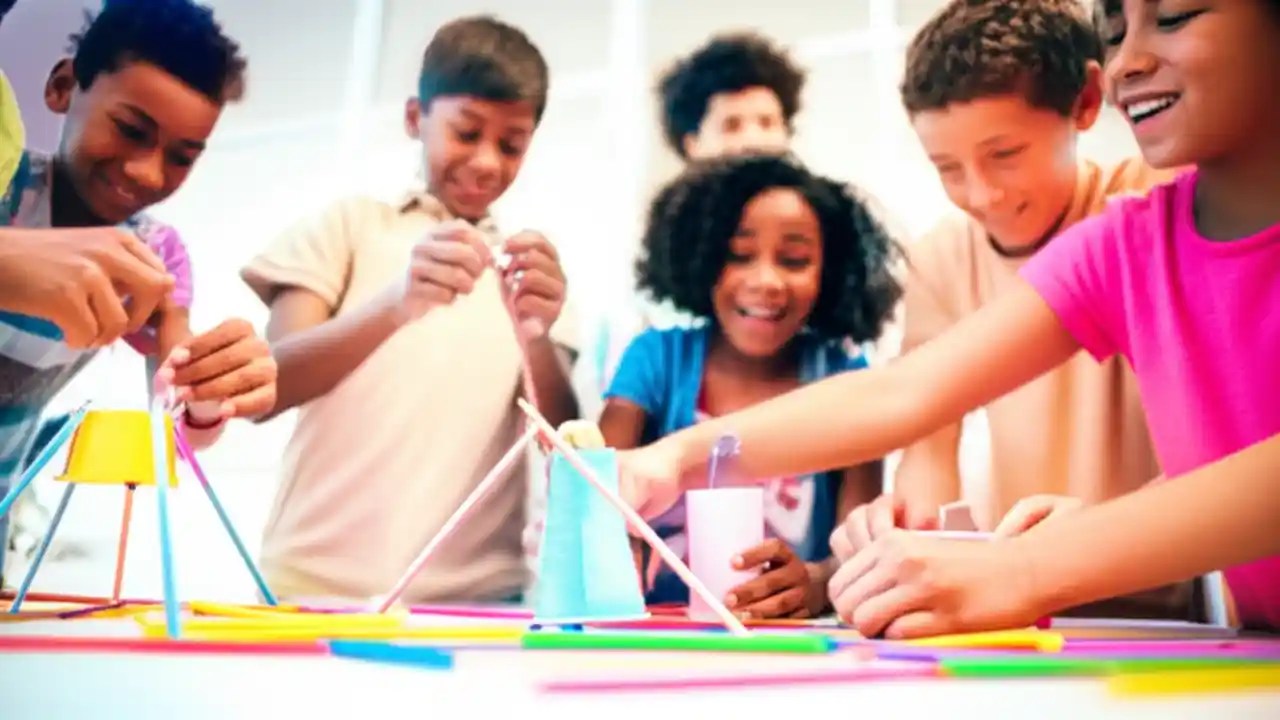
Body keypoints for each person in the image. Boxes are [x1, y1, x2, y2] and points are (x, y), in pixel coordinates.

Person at [618, 0, 1280, 637]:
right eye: (1114, 27)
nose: (1128, 61)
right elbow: (908, 393)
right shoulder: (1129, 241)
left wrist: (1034, 562)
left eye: (1175, 16)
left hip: (1148, 604)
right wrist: (675, 457)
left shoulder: (1129, 208)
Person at [242, 15, 578, 605]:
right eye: (466, 132)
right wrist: (396, 306)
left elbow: (564, 442)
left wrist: (537, 336)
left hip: (478, 601)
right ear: (414, 119)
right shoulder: (349, 226)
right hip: (310, 587)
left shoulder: (535, 271)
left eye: (511, 144)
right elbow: (267, 387)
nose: (486, 162)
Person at [0, 0, 276, 584]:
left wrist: (210, 390)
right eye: (130, 130)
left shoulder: (152, 257)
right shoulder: (7, 190)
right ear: (63, 86)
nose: (148, 174)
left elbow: (175, 412)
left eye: (182, 157)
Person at [890, 0, 1171, 534]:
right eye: (947, 168)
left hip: (1159, 582)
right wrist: (908, 523)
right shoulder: (941, 259)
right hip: (1026, 582)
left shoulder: (1151, 203)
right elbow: (926, 435)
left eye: (1005, 154)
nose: (981, 194)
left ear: (1086, 102)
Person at [600, 155, 899, 619]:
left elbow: (856, 553)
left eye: (795, 260)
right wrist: (609, 540)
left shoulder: (844, 375)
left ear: (830, 271)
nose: (766, 281)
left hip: (783, 641)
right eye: (739, 256)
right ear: (703, 260)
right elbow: (593, 489)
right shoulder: (657, 358)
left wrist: (816, 584)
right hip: (652, 635)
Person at [576, 32, 809, 418]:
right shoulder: (648, 289)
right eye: (732, 124)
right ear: (691, 143)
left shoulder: (829, 248)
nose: (754, 140)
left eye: (767, 122)